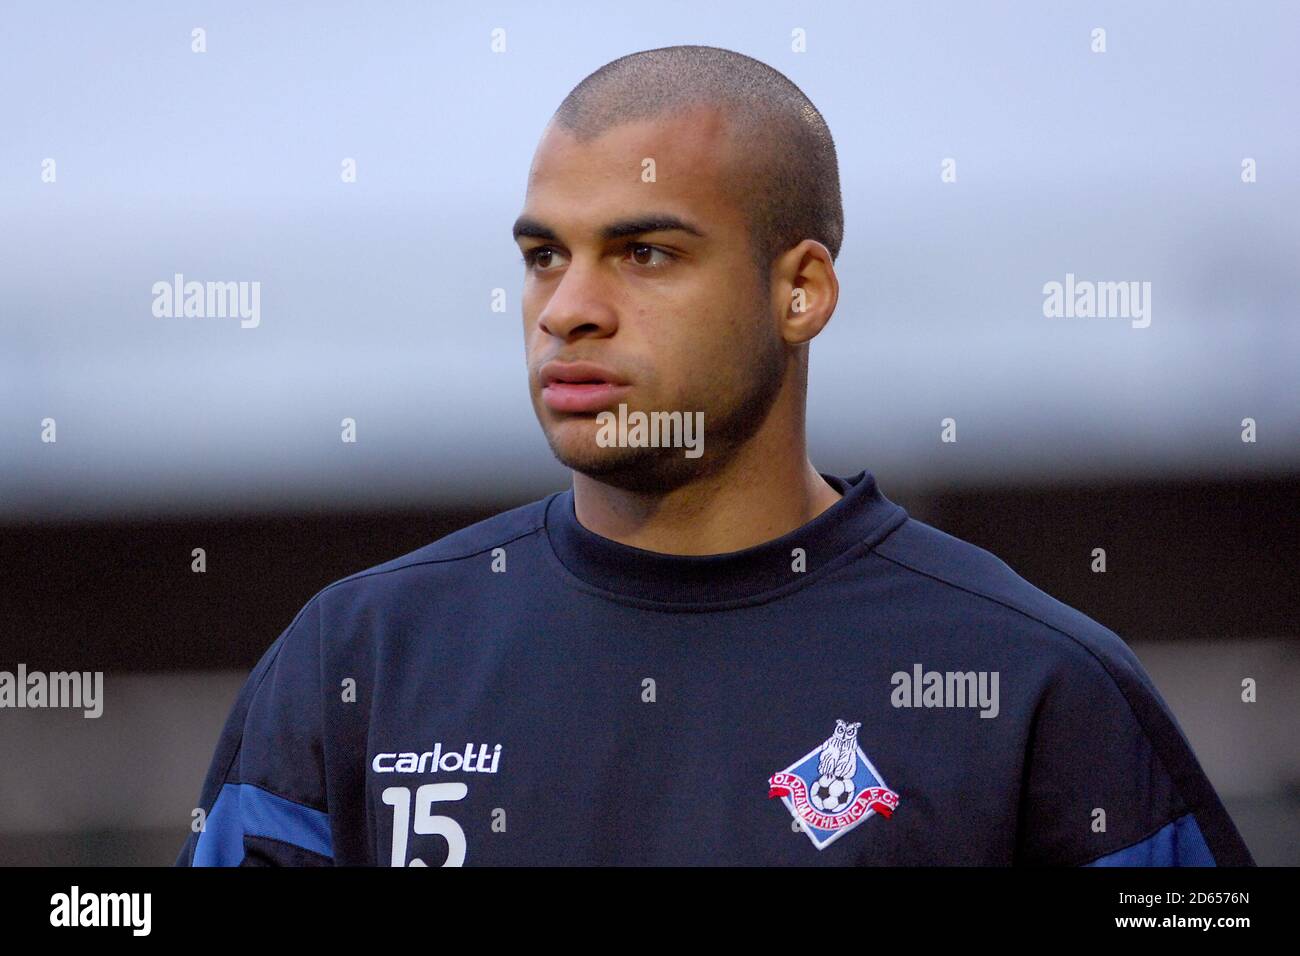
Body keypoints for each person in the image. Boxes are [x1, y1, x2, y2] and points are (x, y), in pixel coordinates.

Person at [177, 45, 1253, 866]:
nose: (569, 310)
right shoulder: (357, 661)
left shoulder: (1037, 684)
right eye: (544, 256)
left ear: (801, 290)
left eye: (645, 253)